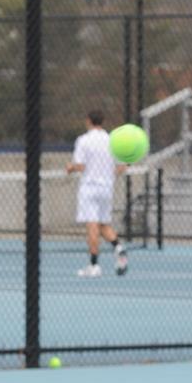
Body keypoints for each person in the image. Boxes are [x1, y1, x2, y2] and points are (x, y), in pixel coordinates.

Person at [65, 110, 127, 277]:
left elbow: (80, 165)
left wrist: (70, 167)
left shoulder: (83, 140)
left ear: (88, 121)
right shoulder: (111, 141)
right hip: (106, 188)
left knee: (92, 225)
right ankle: (118, 247)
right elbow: (122, 167)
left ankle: (94, 265)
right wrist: (106, 175)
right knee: (102, 224)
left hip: (89, 188)